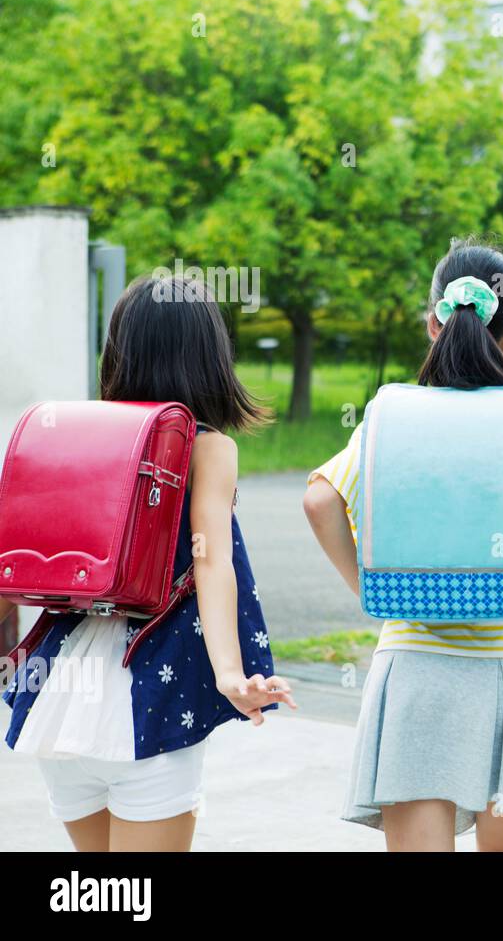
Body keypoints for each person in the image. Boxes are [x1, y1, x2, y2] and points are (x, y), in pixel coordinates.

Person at [303, 240, 503, 852]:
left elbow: (319, 501)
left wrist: (369, 585)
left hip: (416, 667)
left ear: (433, 323)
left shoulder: (393, 416)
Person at [2, 275, 292, 852]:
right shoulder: (208, 445)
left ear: (119, 351)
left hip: (58, 698)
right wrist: (232, 677)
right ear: (209, 355)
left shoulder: (76, 433)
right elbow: (210, 563)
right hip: (150, 703)